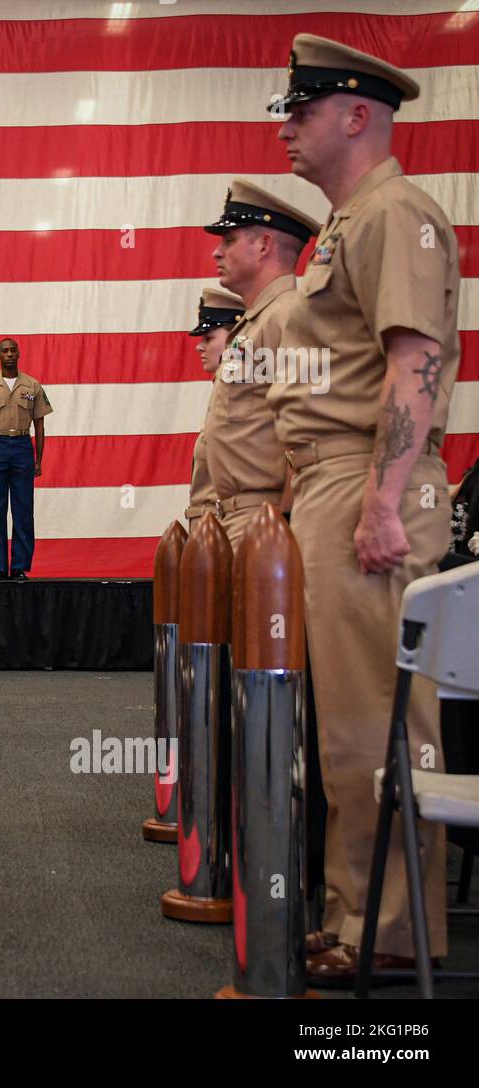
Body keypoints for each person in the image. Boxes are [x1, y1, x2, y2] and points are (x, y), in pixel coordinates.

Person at [269, 34, 461, 985]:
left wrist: (384, 500)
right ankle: (359, 912)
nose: (287, 129)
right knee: (346, 722)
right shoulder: (354, 223)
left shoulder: (396, 214)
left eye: (301, 111)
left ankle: (386, 928)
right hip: (336, 479)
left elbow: (412, 362)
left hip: (368, 482)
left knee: (379, 719)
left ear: (357, 115)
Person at [202, 180, 318, 547]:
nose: (217, 253)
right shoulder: (258, 322)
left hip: (266, 521)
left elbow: (308, 427)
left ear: (264, 245)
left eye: (229, 240)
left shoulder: (291, 316)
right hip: (241, 518)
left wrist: (284, 522)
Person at [0, 338, 51, 579]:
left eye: (13, 350)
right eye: (5, 351)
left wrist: (39, 459)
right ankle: (0, 567)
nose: (10, 354)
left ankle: (19, 566)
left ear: (19, 354)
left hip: (23, 446)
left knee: (23, 508)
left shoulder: (32, 386)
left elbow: (40, 425)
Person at [184, 289, 245, 534]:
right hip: (214, 532)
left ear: (235, 339)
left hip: (232, 530)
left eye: (208, 338)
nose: (199, 347)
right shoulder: (224, 391)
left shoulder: (247, 393)